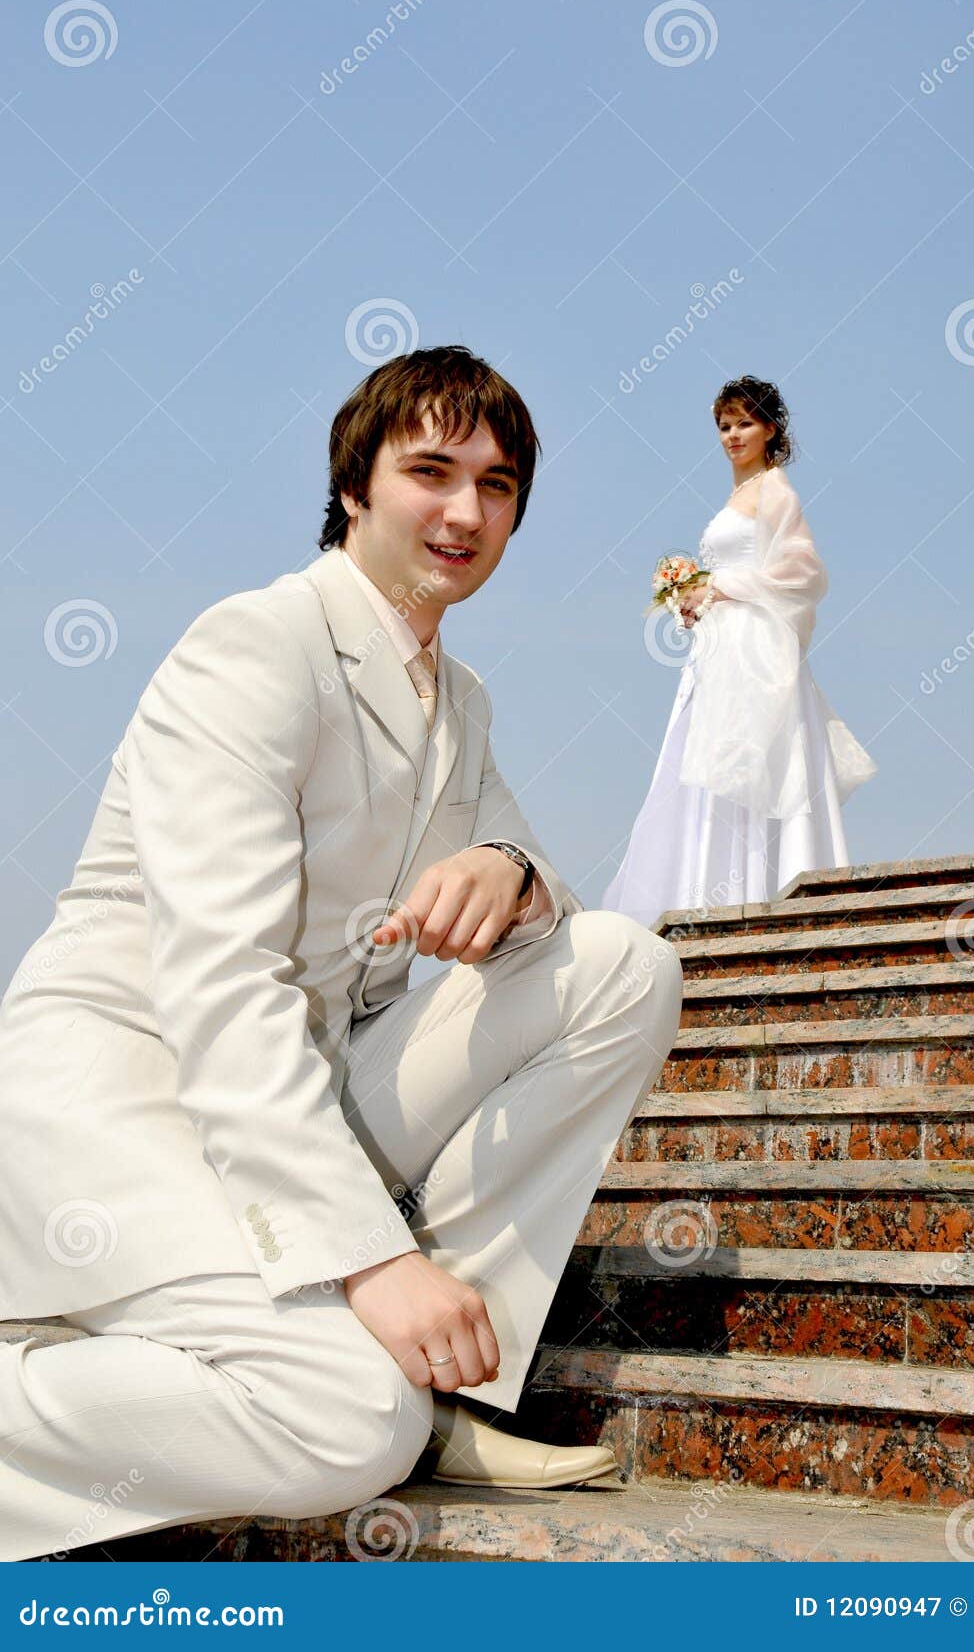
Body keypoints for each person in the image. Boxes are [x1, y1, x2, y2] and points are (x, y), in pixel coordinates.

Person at [0, 345, 683, 1561]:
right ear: (354, 489)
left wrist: (510, 874)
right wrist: (371, 1262)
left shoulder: (455, 698)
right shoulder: (255, 647)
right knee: (341, 1416)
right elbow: (218, 988)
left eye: (499, 483)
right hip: (125, 1087)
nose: (467, 511)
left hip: (304, 1085)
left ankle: (456, 1387)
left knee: (621, 964)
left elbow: (538, 879)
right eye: (431, 471)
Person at [603, 375, 876, 924]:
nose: (732, 435)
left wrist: (721, 587)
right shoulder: (738, 494)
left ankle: (757, 895)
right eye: (724, 425)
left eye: (744, 423)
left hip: (755, 651)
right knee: (705, 761)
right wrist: (694, 600)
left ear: (770, 428)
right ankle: (709, 891)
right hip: (720, 649)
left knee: (752, 759)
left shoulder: (776, 490)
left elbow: (804, 572)